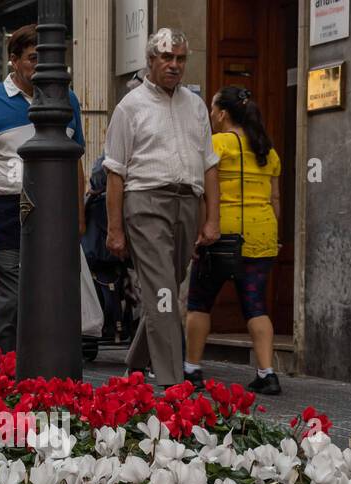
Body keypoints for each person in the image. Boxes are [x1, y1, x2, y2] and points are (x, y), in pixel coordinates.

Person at [0, 24, 85, 353]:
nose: (41, 65)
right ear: (13, 60)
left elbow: (77, 163)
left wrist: (79, 216)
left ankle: (42, 373)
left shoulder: (68, 101)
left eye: (49, 57)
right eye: (33, 58)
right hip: (6, 212)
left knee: (52, 297)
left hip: (55, 213)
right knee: (13, 300)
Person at [103, 28, 220, 388]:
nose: (174, 65)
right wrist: (114, 228)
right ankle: (173, 382)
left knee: (163, 290)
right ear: (151, 61)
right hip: (145, 202)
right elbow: (115, 172)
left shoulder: (195, 105)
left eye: (180, 59)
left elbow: (209, 165)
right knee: (164, 292)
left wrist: (213, 218)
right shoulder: (130, 106)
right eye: (167, 58)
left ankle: (136, 364)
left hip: (187, 203)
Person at [184, 86, 283, 394]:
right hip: (261, 234)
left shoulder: (216, 145)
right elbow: (275, 199)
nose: (211, 116)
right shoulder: (267, 149)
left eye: (213, 110)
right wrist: (272, 233)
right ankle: (267, 373)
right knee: (255, 305)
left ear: (223, 113)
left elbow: (201, 191)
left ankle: (192, 369)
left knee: (200, 301)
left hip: (221, 234)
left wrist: (200, 230)